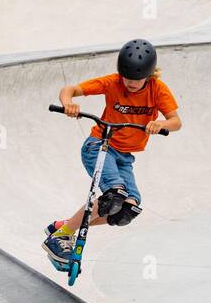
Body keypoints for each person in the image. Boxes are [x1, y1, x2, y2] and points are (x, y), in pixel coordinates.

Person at [43, 40, 181, 268]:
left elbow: (176, 122)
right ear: (120, 73)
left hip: (124, 157)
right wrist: (68, 103)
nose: (131, 84)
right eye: (127, 79)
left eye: (137, 80)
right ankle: (59, 237)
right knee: (113, 196)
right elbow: (70, 90)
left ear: (149, 75)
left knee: (126, 209)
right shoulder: (113, 82)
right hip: (99, 146)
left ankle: (63, 226)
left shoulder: (158, 89)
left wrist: (160, 123)